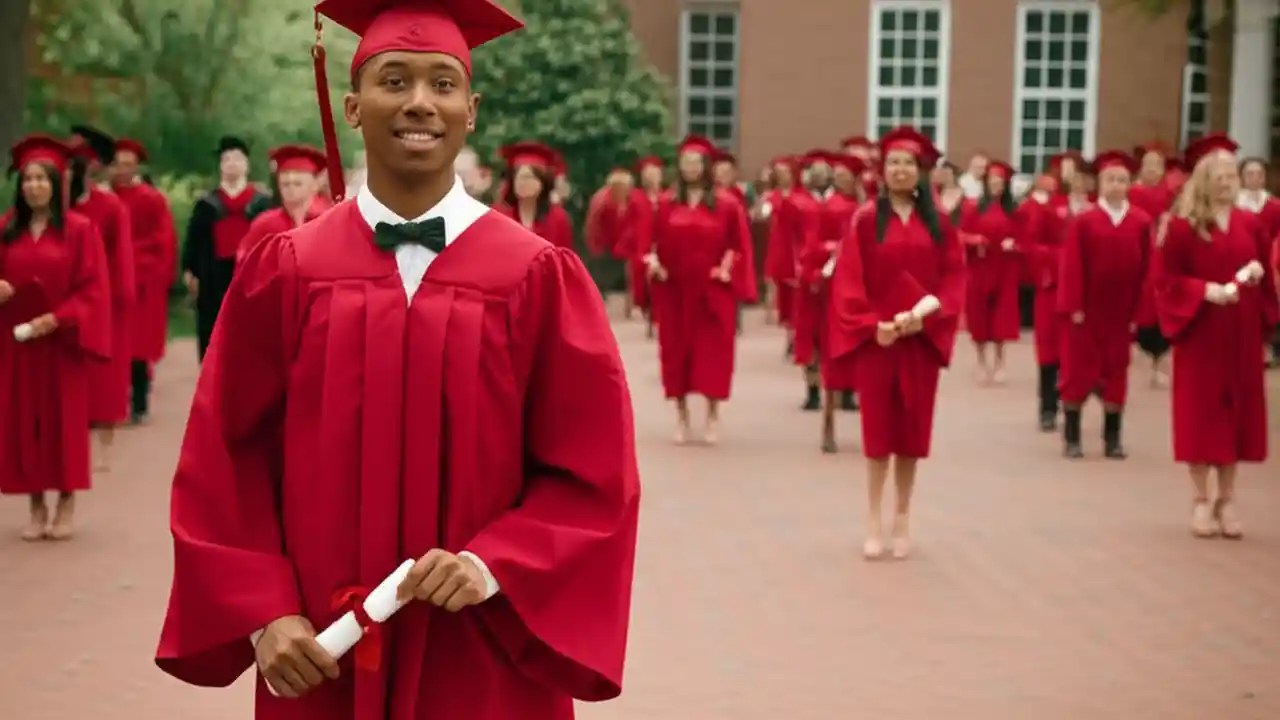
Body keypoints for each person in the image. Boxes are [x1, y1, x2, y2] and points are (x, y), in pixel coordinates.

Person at [154, 1, 640, 717]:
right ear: (352, 105)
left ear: (471, 110)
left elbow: (592, 469)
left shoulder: (536, 275)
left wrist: (493, 564)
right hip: (321, 645)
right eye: (394, 79)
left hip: (479, 649)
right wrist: (265, 612)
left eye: (443, 84)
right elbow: (227, 451)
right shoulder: (288, 270)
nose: (420, 102)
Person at [829, 126, 965, 560]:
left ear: (921, 172)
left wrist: (925, 321)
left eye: (909, 163)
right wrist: (873, 325)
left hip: (919, 342)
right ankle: (872, 519)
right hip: (879, 342)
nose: (901, 170)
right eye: (894, 163)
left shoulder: (940, 224)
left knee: (910, 434)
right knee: (877, 435)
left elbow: (953, 279)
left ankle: (902, 516)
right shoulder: (867, 220)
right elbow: (850, 281)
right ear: (883, 172)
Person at [1153, 133, 1276, 539]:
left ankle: (1227, 498)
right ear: (1205, 180)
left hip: (1240, 331)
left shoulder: (1249, 223)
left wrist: (1257, 279)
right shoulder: (1184, 227)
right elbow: (1166, 279)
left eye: (1232, 176)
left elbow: (1260, 268)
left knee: (1236, 411)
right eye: (1220, 177)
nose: (1228, 183)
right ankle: (1199, 499)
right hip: (1201, 332)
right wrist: (1205, 291)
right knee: (1202, 414)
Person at [0, 135, 110, 540]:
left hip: (62, 342)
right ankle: (35, 506)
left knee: (62, 424)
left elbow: (93, 289)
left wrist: (57, 318)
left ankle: (65, 504)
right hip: (19, 344)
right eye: (27, 179)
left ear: (56, 183)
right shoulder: (6, 230)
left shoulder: (80, 231)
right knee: (24, 424)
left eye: (41, 178)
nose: (33, 186)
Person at [647, 135, 753, 445]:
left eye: (696, 164)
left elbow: (738, 245)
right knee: (676, 352)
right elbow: (651, 242)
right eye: (685, 164)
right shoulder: (666, 203)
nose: (690, 169)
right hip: (676, 290)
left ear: (706, 168)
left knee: (713, 354)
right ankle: (681, 417)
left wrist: (726, 268)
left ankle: (712, 415)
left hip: (711, 289)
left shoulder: (726, 204)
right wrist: (654, 262)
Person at [1056, 151, 1152, 459]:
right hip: (1087, 310)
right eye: (1111, 179)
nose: (1116, 185)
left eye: (1122, 180)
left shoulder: (1139, 221)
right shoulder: (1085, 221)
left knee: (1116, 373)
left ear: (1130, 184)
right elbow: (1072, 264)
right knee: (1077, 371)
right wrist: (1075, 306)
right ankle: (1072, 436)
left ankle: (1113, 438)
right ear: (1100, 183)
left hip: (1121, 312)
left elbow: (1148, 269)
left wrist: (1140, 312)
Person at [67, 125, 136, 470]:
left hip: (103, 298)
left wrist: (119, 300)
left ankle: (105, 448)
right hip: (65, 297)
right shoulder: (56, 206)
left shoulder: (109, 207)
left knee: (105, 375)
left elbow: (121, 258)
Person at [183, 136, 272, 361]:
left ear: (247, 165)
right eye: (227, 159)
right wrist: (190, 272)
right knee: (213, 340)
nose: (232, 164)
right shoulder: (206, 204)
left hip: (251, 278)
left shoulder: (263, 203)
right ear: (221, 165)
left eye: (237, 159)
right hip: (212, 280)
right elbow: (193, 241)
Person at [110, 138, 176, 423]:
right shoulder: (106, 198)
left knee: (137, 346)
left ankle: (139, 402)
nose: (123, 170)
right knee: (112, 345)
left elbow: (164, 241)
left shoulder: (151, 199)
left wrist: (153, 273)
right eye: (118, 164)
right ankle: (113, 400)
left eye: (128, 164)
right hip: (109, 281)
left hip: (141, 281)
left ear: (137, 166)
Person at [959, 160, 1023, 385]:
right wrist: (974, 240)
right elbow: (959, 235)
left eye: (1000, 181)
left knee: (1002, 317)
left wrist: (1013, 244)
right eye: (992, 181)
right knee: (979, 316)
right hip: (979, 267)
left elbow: (1025, 239)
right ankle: (981, 361)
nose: (996, 185)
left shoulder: (1014, 210)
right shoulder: (973, 207)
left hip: (1004, 268)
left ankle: (1000, 361)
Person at [237, 145, 329, 264]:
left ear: (315, 185)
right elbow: (244, 262)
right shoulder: (265, 224)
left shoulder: (329, 220)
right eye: (285, 184)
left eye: (297, 183)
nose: (290, 189)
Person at [495, 141, 574, 250]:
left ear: (542, 182)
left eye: (529, 177)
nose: (523, 183)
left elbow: (564, 259)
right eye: (519, 177)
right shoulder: (498, 216)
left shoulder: (558, 218)